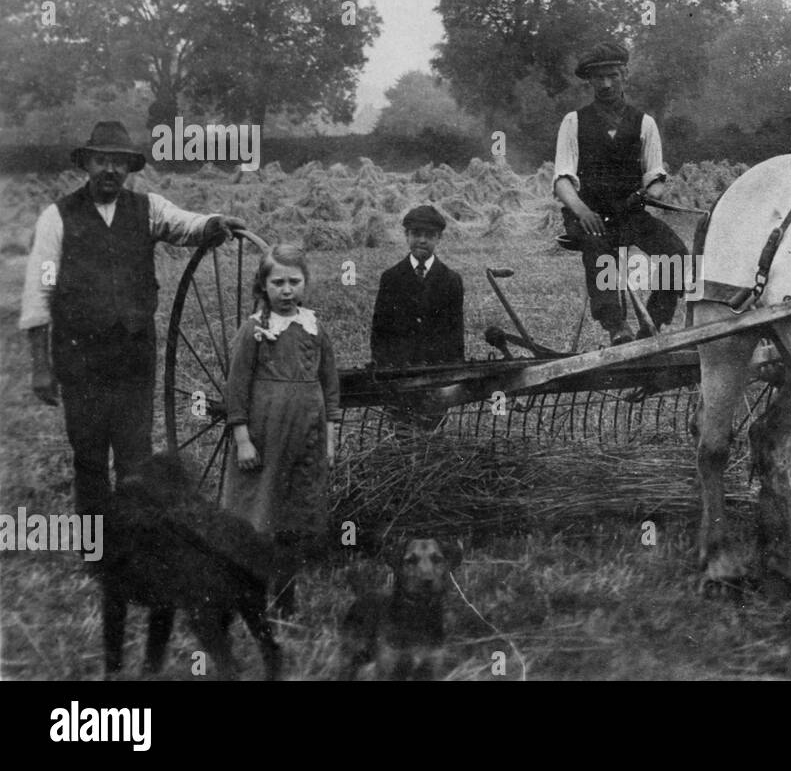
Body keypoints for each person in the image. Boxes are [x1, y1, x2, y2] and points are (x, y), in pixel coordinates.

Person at [20, 120, 243, 516]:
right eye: (102, 160)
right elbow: (40, 291)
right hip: (81, 359)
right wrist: (41, 366)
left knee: (134, 454)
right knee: (88, 455)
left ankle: (132, 541)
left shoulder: (148, 209)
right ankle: (96, 543)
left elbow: (185, 224)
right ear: (87, 163)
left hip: (133, 357)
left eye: (119, 162)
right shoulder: (57, 218)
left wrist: (214, 223)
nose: (111, 170)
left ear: (129, 168)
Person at [224, 244, 341, 618]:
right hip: (265, 435)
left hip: (305, 434)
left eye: (295, 281)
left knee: (293, 517)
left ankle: (285, 596)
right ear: (264, 285)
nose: (287, 290)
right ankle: (247, 587)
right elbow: (237, 386)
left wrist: (330, 435)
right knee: (261, 512)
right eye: (278, 282)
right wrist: (242, 439)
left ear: (305, 284)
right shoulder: (254, 330)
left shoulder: (314, 327)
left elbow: (330, 384)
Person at [553, 42, 689, 345]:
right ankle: (616, 327)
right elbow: (562, 180)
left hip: (630, 212)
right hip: (590, 216)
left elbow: (656, 177)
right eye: (598, 77)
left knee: (678, 256)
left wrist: (646, 194)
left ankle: (653, 323)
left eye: (612, 75)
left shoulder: (645, 123)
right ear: (589, 80)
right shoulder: (573, 122)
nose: (605, 84)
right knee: (599, 249)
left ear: (624, 74)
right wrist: (582, 211)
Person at [370, 205, 465, 367]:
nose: (422, 240)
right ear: (406, 235)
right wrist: (383, 368)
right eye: (416, 233)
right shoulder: (391, 278)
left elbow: (456, 335)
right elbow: (380, 332)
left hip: (439, 371)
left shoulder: (451, 280)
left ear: (439, 238)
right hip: (399, 371)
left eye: (429, 235)